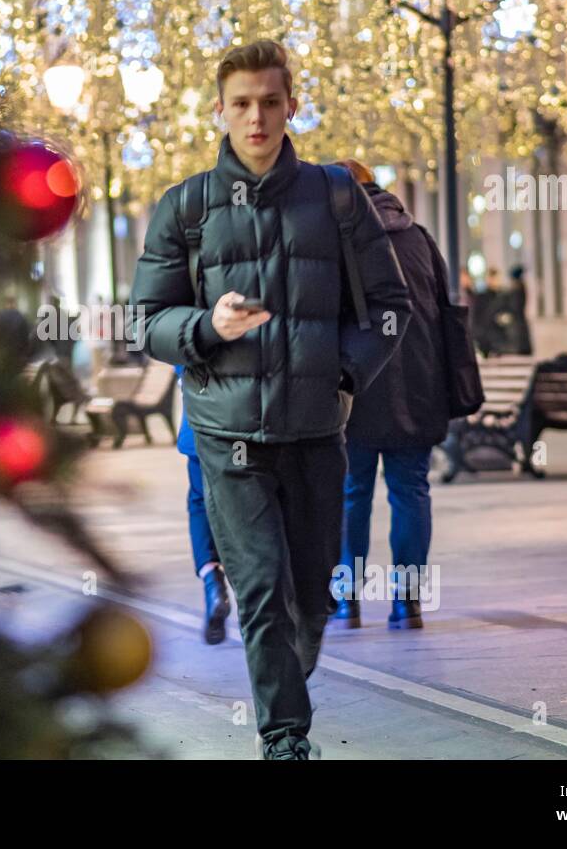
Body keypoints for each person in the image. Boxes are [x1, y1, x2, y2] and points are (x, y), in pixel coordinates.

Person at [130, 39, 410, 759]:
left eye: (270, 102)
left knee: (312, 596)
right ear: (219, 111)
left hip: (316, 430)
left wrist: (343, 375)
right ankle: (285, 739)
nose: (256, 118)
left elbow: (388, 303)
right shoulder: (185, 207)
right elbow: (146, 321)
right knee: (259, 594)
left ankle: (287, 680)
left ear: (292, 106)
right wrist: (206, 326)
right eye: (242, 104)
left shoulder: (337, 196)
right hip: (229, 437)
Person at [329, 159, 451, 632]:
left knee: (351, 493)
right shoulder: (418, 237)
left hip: (356, 386)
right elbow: (445, 315)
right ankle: (408, 602)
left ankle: (348, 601)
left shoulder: (341, 242)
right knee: (411, 491)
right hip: (419, 388)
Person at [174, 365, 231, 645]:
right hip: (246, 425)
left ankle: (212, 583)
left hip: (199, 422)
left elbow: (170, 342)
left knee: (199, 501)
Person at [500, 265, 533, 355]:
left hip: (517, 322)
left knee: (518, 344)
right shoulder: (520, 288)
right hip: (519, 321)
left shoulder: (517, 289)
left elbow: (515, 306)